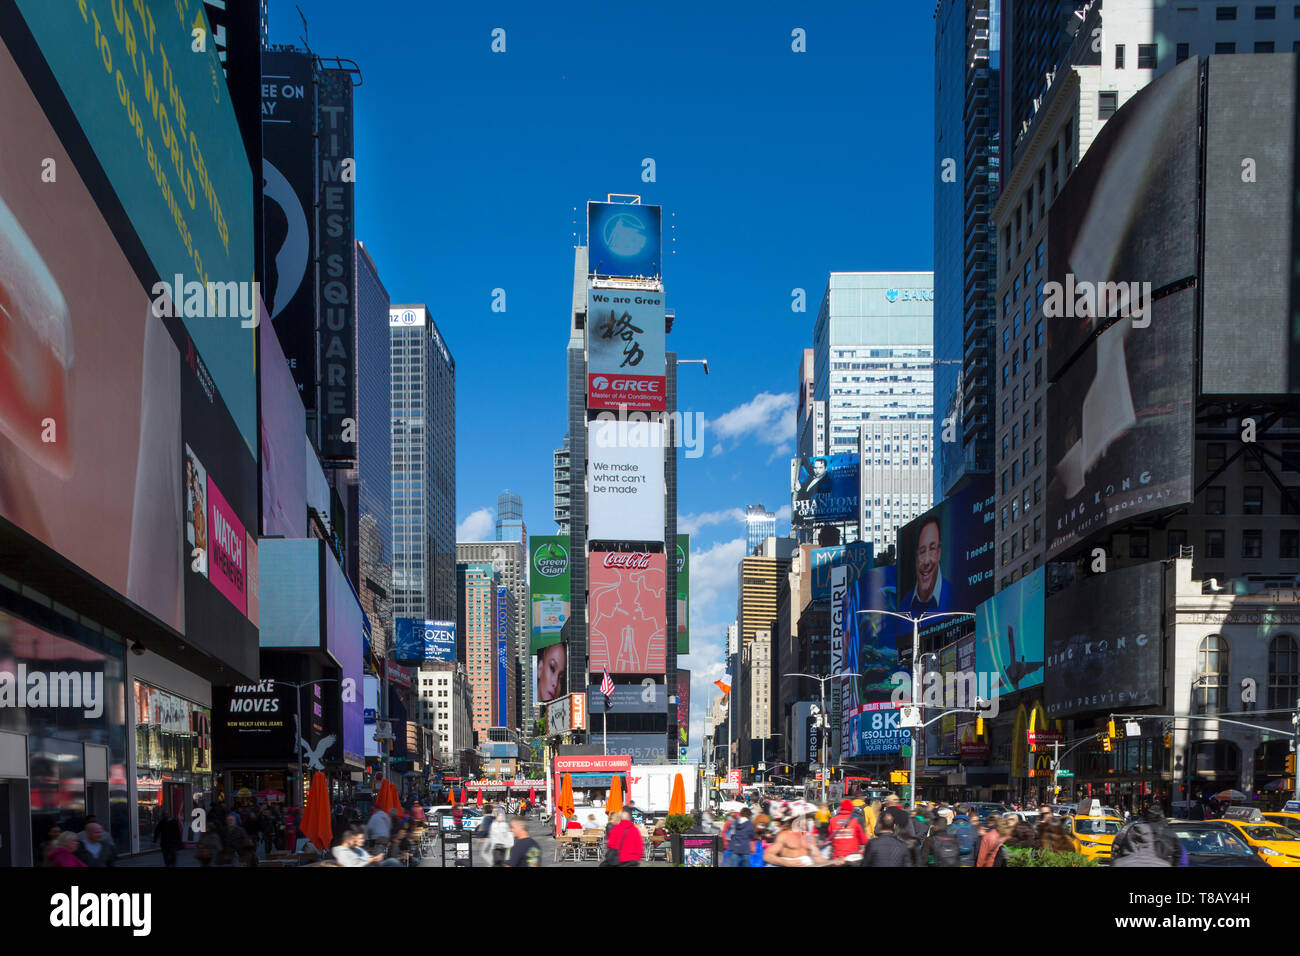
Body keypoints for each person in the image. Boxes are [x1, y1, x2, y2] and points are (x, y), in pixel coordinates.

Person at [903, 518, 949, 616]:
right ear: (915, 557)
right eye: (922, 551)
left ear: (939, 552)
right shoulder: (903, 607)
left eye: (932, 549)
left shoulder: (956, 598)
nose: (927, 561)